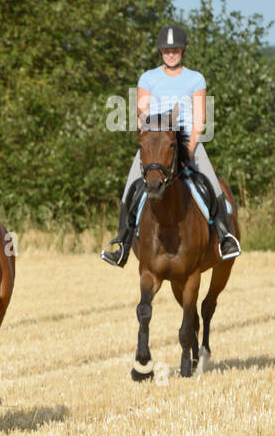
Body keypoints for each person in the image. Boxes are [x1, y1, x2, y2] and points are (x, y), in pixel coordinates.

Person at [101, 24, 241, 266]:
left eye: (175, 50)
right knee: (130, 189)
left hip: (187, 141)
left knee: (211, 183)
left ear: (183, 50)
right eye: (167, 50)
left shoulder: (195, 79)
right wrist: (149, 139)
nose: (171, 54)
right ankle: (122, 244)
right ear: (160, 52)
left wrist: (189, 147)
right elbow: (141, 114)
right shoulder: (148, 77)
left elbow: (200, 118)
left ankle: (224, 237)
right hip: (156, 142)